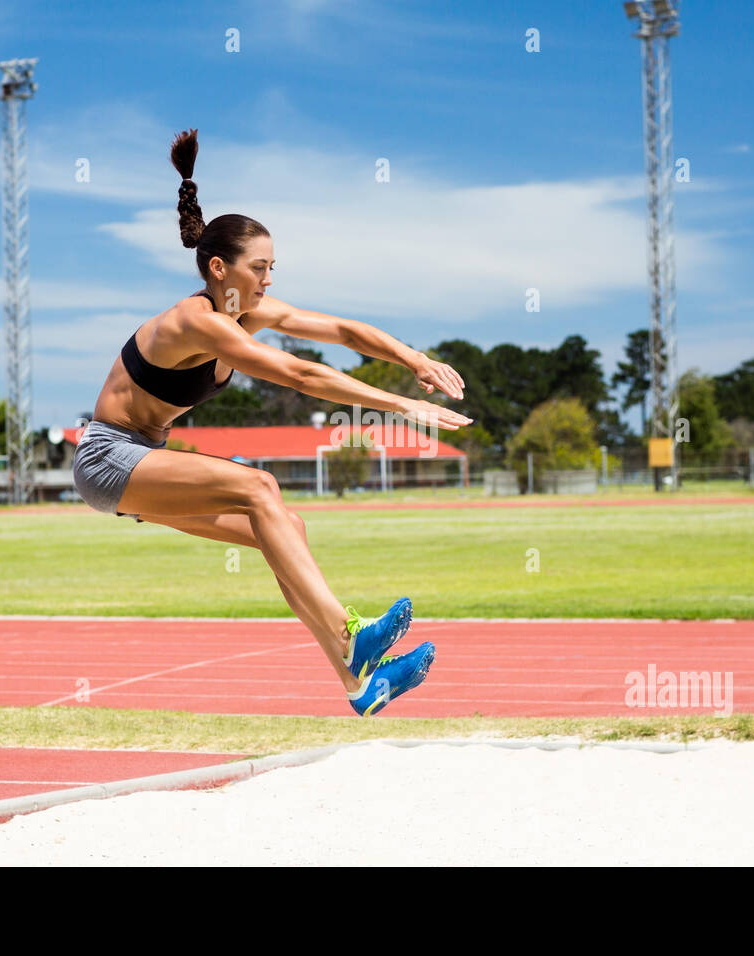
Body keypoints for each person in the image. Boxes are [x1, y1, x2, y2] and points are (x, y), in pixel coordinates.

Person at [72, 128, 473, 716]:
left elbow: (340, 332)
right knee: (260, 487)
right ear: (218, 268)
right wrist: (403, 407)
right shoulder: (196, 322)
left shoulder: (246, 314)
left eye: (272, 268)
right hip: (108, 458)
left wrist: (413, 359)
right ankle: (351, 634)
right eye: (259, 268)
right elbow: (302, 376)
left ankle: (360, 685)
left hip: (141, 463)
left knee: (284, 526)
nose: (267, 280)